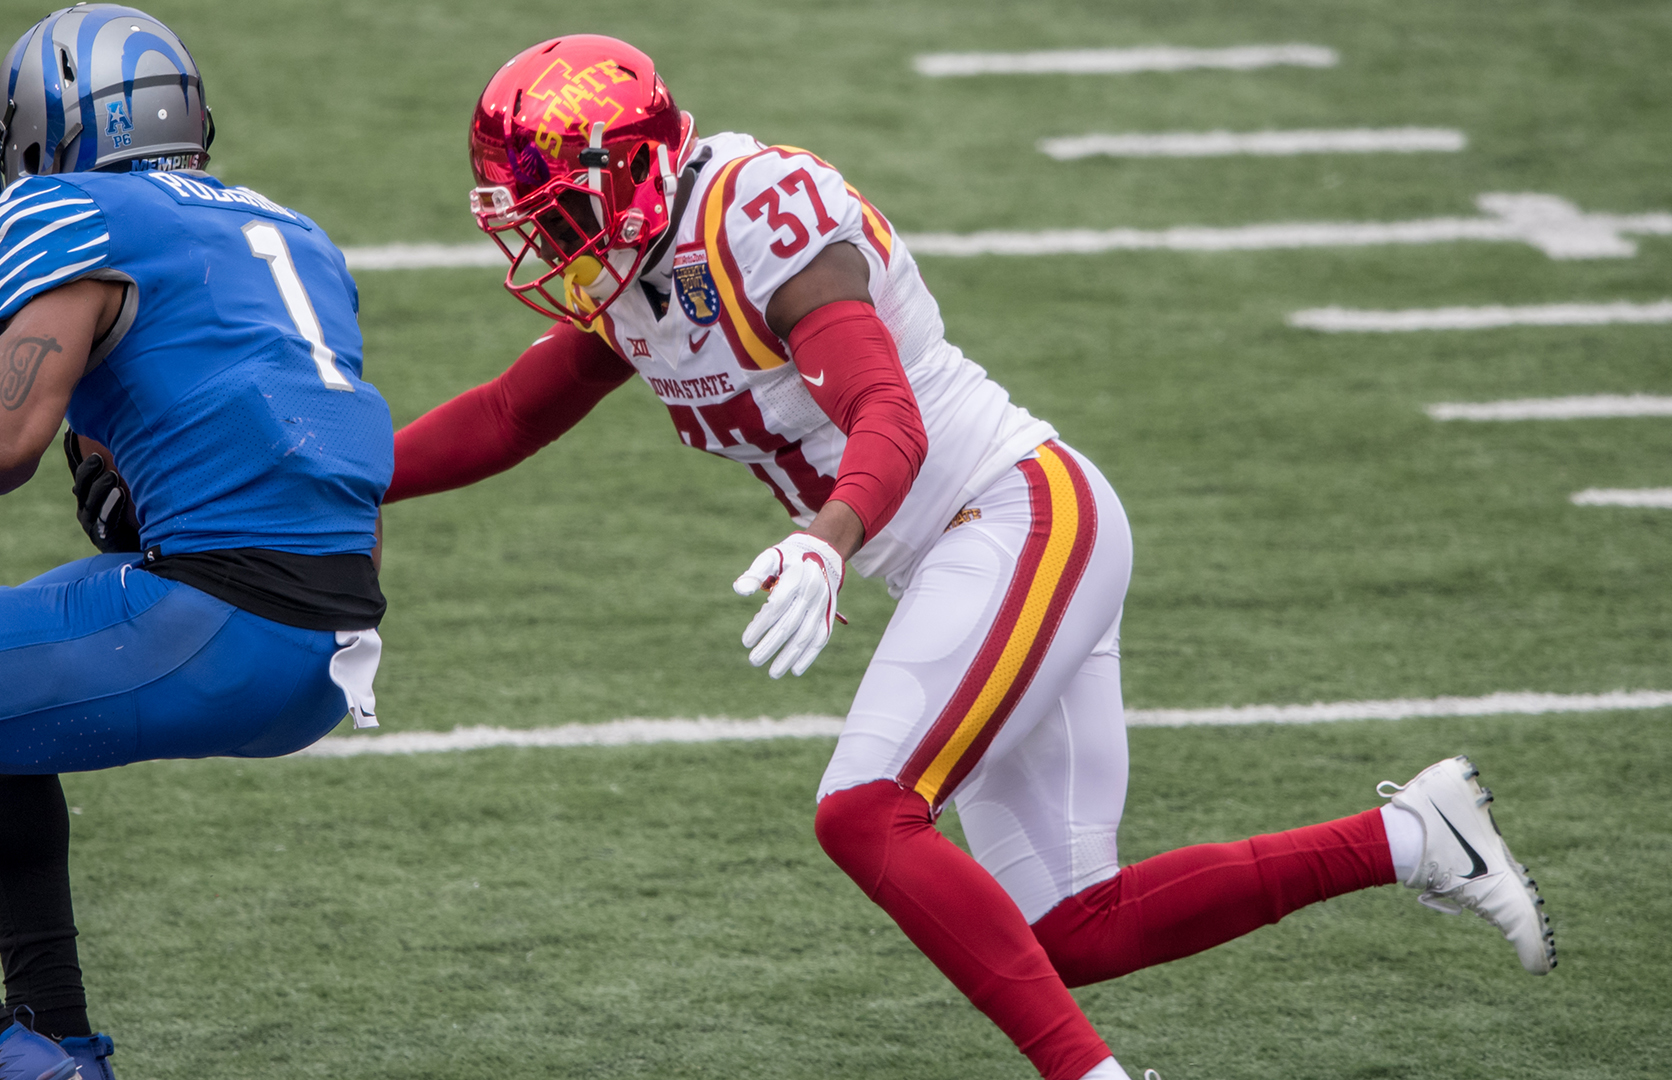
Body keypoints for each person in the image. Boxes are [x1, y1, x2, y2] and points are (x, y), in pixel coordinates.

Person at [381, 34, 1557, 1080]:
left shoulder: (756, 210)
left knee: (864, 812)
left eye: (556, 204)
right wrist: (326, 483)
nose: (543, 232)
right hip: (958, 549)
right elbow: (506, 416)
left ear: (632, 169)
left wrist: (828, 540)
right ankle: (1414, 837)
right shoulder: (633, 267)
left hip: (1015, 514)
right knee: (1069, 931)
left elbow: (890, 412)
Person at [0, 6, 395, 1077]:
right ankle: (59, 1041)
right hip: (334, 638)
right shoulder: (290, 232)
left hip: (220, 620)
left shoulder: (72, 209)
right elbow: (308, 449)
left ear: (40, 125)